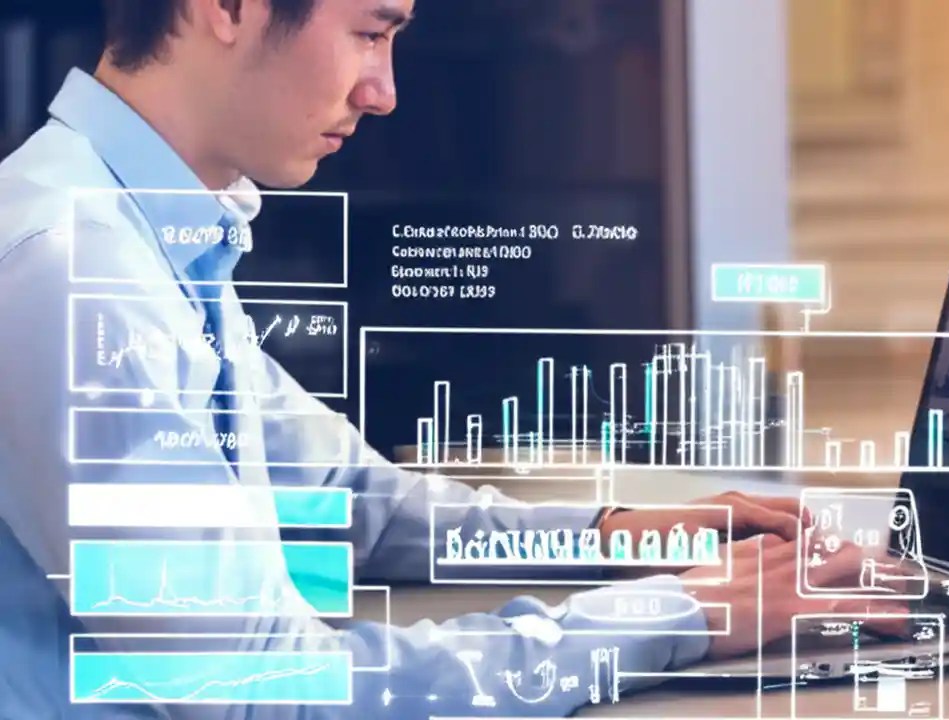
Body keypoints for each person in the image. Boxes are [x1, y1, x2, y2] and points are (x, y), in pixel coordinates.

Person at [0, 1, 892, 717]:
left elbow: (355, 507)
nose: (383, 91)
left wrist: (625, 537)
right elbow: (259, 691)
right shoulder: (73, 271)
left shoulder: (142, 233)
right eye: (370, 33)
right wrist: (679, 613)